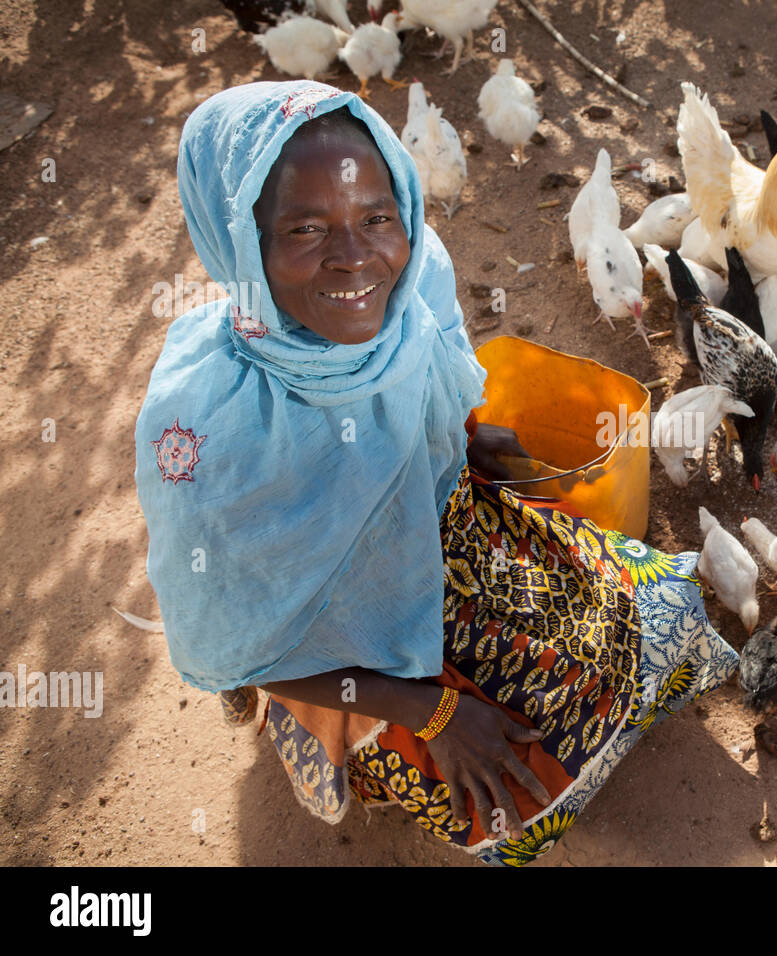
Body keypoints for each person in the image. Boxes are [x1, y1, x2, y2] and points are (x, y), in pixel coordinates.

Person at [134, 81, 738, 866]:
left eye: (376, 218)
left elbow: (440, 403)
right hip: (345, 663)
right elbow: (240, 640)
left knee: (656, 618)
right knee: (518, 787)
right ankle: (339, 743)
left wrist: (463, 444)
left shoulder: (412, 287)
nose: (355, 258)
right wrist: (431, 711)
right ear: (241, 241)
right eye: (306, 228)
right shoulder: (211, 428)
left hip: (449, 537)